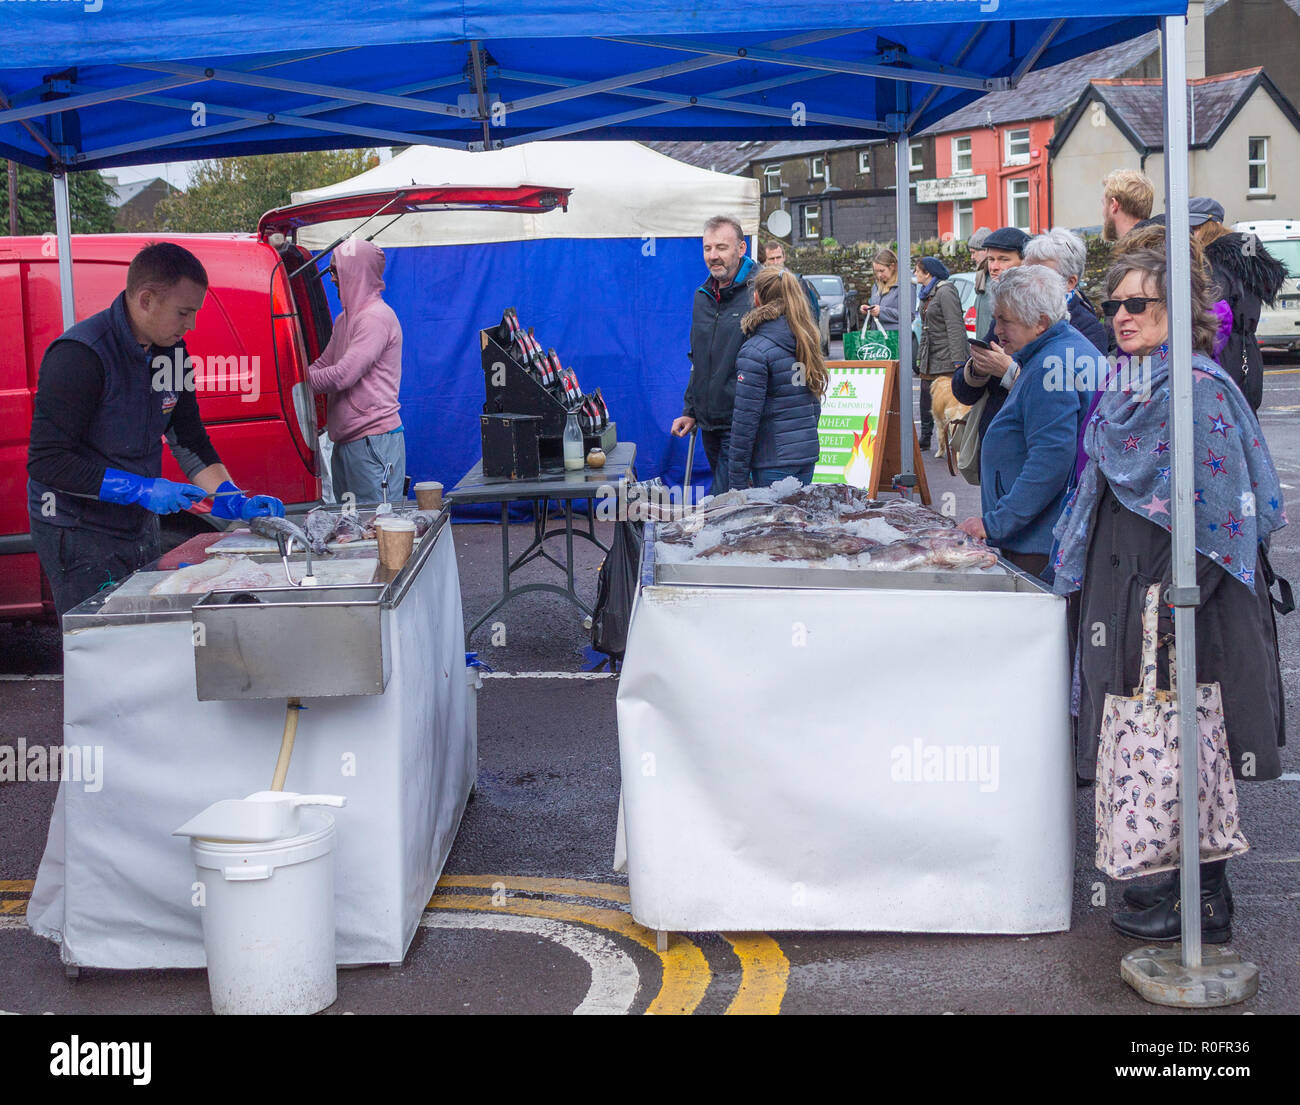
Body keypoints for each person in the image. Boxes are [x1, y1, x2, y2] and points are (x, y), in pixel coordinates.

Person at [1051, 244, 1287, 944]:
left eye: (1137, 305)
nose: (1121, 316)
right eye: (1113, 304)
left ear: (1177, 313)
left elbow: (1225, 515)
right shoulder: (1130, 383)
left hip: (1188, 601)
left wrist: (1169, 605)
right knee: (1151, 735)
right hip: (1131, 588)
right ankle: (1179, 889)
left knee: (1191, 736)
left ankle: (1198, 897)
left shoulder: (1198, 388)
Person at [26, 241, 285, 617]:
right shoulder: (80, 355)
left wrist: (232, 497)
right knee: (99, 638)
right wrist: (140, 488)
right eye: (184, 312)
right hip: (77, 529)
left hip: (137, 522)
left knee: (144, 628)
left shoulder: (172, 353)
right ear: (146, 299)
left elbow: (190, 439)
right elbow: (48, 462)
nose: (191, 325)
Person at [955, 265, 1091, 576]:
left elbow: (1049, 463)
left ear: (1041, 322)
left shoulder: (1048, 368)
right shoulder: (1068, 347)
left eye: (1005, 320)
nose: (997, 330)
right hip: (1045, 532)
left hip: (1038, 540)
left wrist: (995, 523)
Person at [307, 239, 405, 505]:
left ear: (355, 271)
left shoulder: (375, 318)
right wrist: (305, 376)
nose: (332, 279)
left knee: (377, 528)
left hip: (372, 443)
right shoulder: (345, 320)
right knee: (351, 529)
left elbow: (342, 375)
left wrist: (296, 381)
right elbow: (321, 365)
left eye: (336, 271)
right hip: (349, 443)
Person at [671, 215, 760, 495]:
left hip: (742, 421)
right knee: (731, 504)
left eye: (722, 247)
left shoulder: (761, 291)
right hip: (710, 423)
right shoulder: (702, 296)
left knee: (722, 501)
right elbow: (699, 359)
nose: (713, 256)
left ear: (741, 248)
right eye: (708, 248)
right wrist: (690, 411)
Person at [727, 267, 827, 489]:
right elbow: (814, 405)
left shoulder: (754, 350)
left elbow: (745, 422)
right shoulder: (805, 338)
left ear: (756, 298)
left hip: (772, 460)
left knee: (775, 523)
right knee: (800, 522)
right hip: (805, 456)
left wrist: (736, 481)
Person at [1189, 198, 1287, 412]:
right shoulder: (1243, 252)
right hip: (1247, 349)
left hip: (1223, 349)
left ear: (1207, 227)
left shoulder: (1213, 262)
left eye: (1193, 228)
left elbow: (1213, 310)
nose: (1190, 235)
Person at [950, 226, 1030, 441]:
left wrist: (1008, 370)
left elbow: (1056, 391)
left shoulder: (1052, 318)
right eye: (991, 259)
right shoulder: (996, 306)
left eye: (1004, 259)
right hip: (994, 439)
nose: (994, 267)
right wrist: (977, 368)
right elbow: (964, 392)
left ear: (1027, 262)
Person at [914, 256, 969, 451]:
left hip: (946, 354)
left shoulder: (946, 291)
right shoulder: (926, 293)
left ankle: (956, 441)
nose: (915, 273)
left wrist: (958, 360)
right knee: (925, 395)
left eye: (917, 270)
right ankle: (926, 437)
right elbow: (925, 328)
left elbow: (955, 326)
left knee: (950, 399)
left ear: (928, 273)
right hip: (930, 354)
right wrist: (920, 357)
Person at [1023, 227, 1107, 354]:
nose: (1030, 282)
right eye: (1026, 273)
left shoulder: (1088, 330)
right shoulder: (1011, 311)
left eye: (1042, 276)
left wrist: (1012, 370)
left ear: (1070, 282)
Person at [759, 239, 820, 323]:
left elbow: (812, 314)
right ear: (765, 261)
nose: (776, 262)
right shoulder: (760, 285)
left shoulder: (798, 283)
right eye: (772, 259)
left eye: (778, 257)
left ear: (784, 257)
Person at [1101, 168, 1156, 243]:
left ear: (1114, 205)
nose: (1103, 212)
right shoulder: (1166, 245)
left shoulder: (1134, 252)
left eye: (1104, 204)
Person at [858, 247, 901, 328]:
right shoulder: (876, 286)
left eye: (881, 271)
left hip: (894, 338)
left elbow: (909, 316)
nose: (879, 275)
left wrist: (881, 311)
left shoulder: (904, 285)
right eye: (876, 271)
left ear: (892, 266)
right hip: (877, 338)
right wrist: (868, 311)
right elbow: (875, 315)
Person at [968, 226, 993, 339]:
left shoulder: (995, 279)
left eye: (974, 252)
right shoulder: (982, 277)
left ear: (985, 251)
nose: (972, 257)